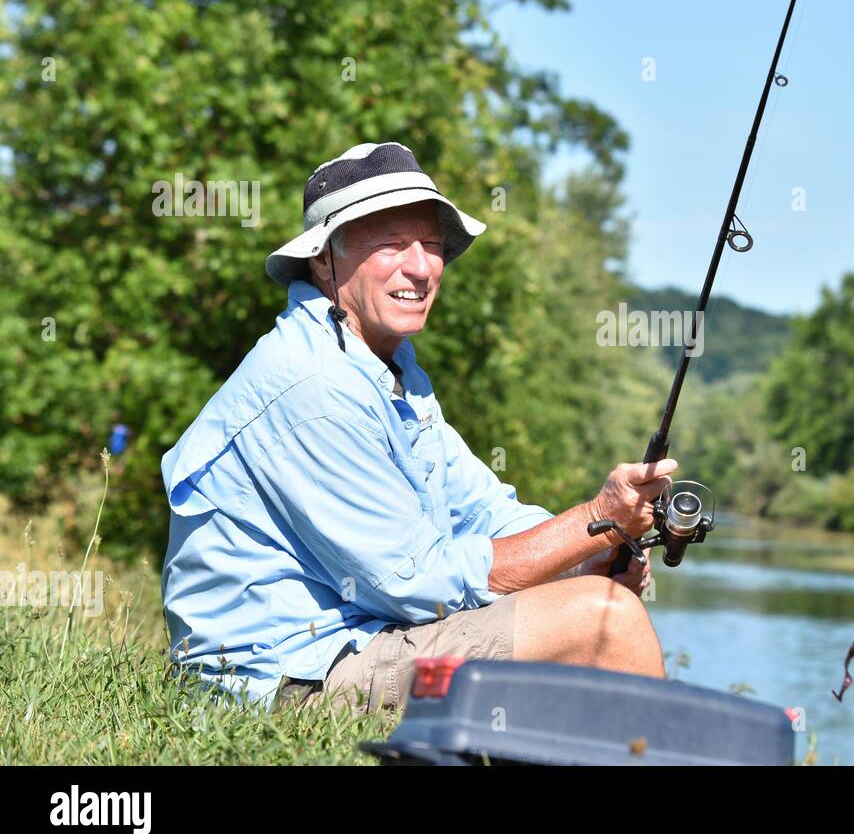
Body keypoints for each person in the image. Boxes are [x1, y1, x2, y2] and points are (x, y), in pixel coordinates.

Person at [161, 141, 671, 714]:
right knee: (606, 618)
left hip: (349, 646)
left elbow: (482, 509)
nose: (423, 267)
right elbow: (414, 584)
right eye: (392, 245)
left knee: (587, 592)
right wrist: (596, 523)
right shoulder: (316, 386)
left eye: (432, 245)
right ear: (325, 259)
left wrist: (586, 554)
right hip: (276, 685)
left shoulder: (388, 368)